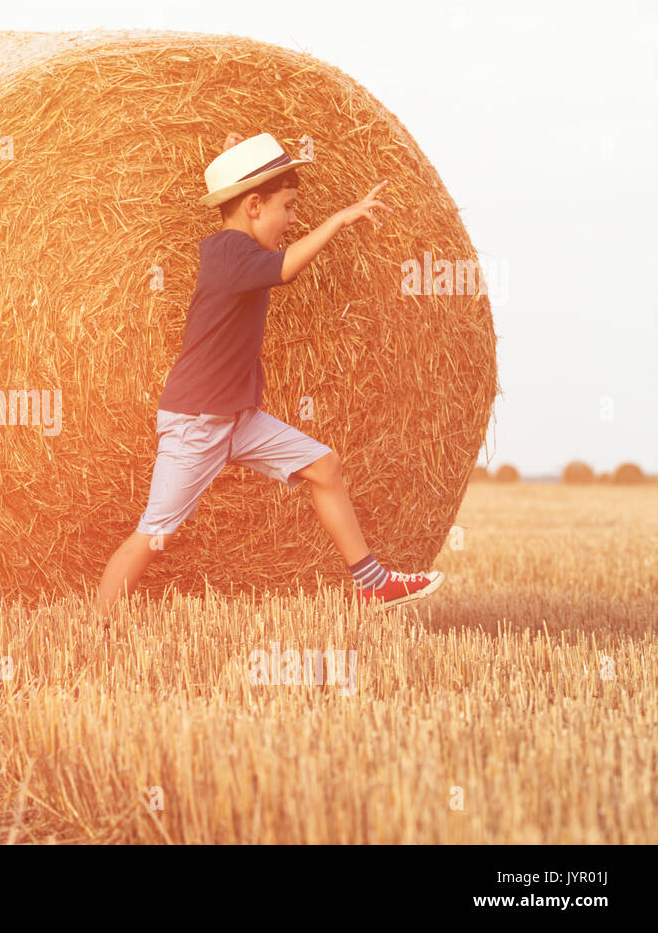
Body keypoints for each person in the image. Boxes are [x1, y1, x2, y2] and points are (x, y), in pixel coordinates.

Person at [95, 132, 445, 618]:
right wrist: (339, 220)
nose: (294, 219)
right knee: (154, 535)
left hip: (235, 418)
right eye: (289, 206)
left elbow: (273, 261)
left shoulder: (239, 254)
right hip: (198, 422)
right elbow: (286, 269)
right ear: (254, 206)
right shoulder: (228, 250)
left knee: (324, 466)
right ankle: (98, 629)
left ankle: (372, 583)